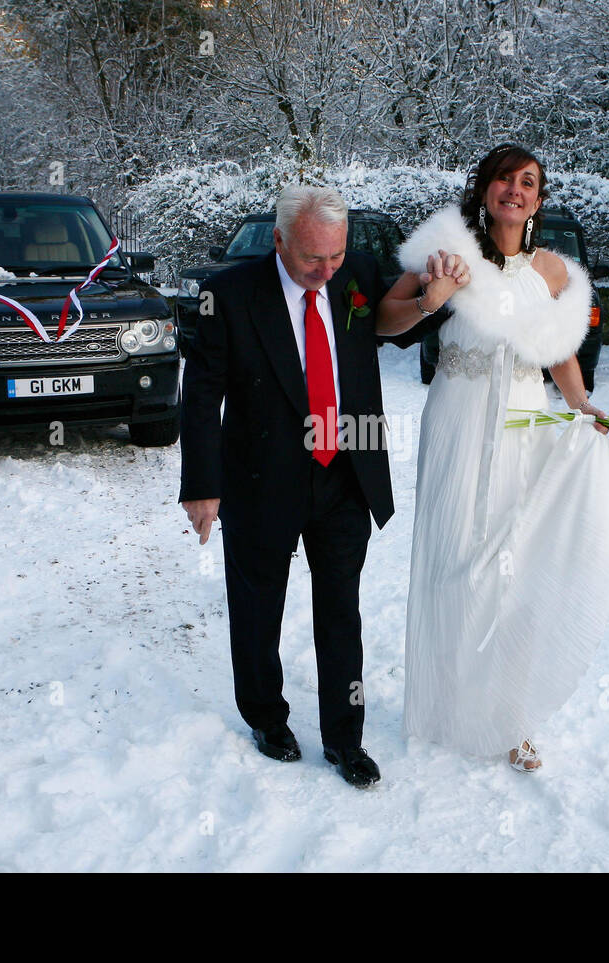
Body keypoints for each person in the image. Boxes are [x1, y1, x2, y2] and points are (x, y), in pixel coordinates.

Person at [376, 144, 609, 772]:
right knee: (453, 560)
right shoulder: (447, 247)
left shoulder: (552, 274)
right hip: (457, 422)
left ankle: (510, 717)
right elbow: (382, 320)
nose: (515, 190)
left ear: (538, 200)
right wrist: (433, 298)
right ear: (485, 188)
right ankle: (441, 706)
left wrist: (583, 407)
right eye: (505, 179)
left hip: (522, 424)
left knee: (510, 573)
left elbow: (561, 352)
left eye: (529, 183)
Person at [179, 185, 403, 788]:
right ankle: (266, 717)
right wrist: (202, 485)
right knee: (258, 608)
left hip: (345, 471)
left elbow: (400, 329)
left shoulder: (355, 274)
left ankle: (346, 738)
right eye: (312, 260)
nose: (326, 271)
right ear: (279, 241)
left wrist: (439, 285)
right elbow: (201, 394)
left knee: (341, 612)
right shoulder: (228, 294)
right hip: (259, 477)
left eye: (335, 257)